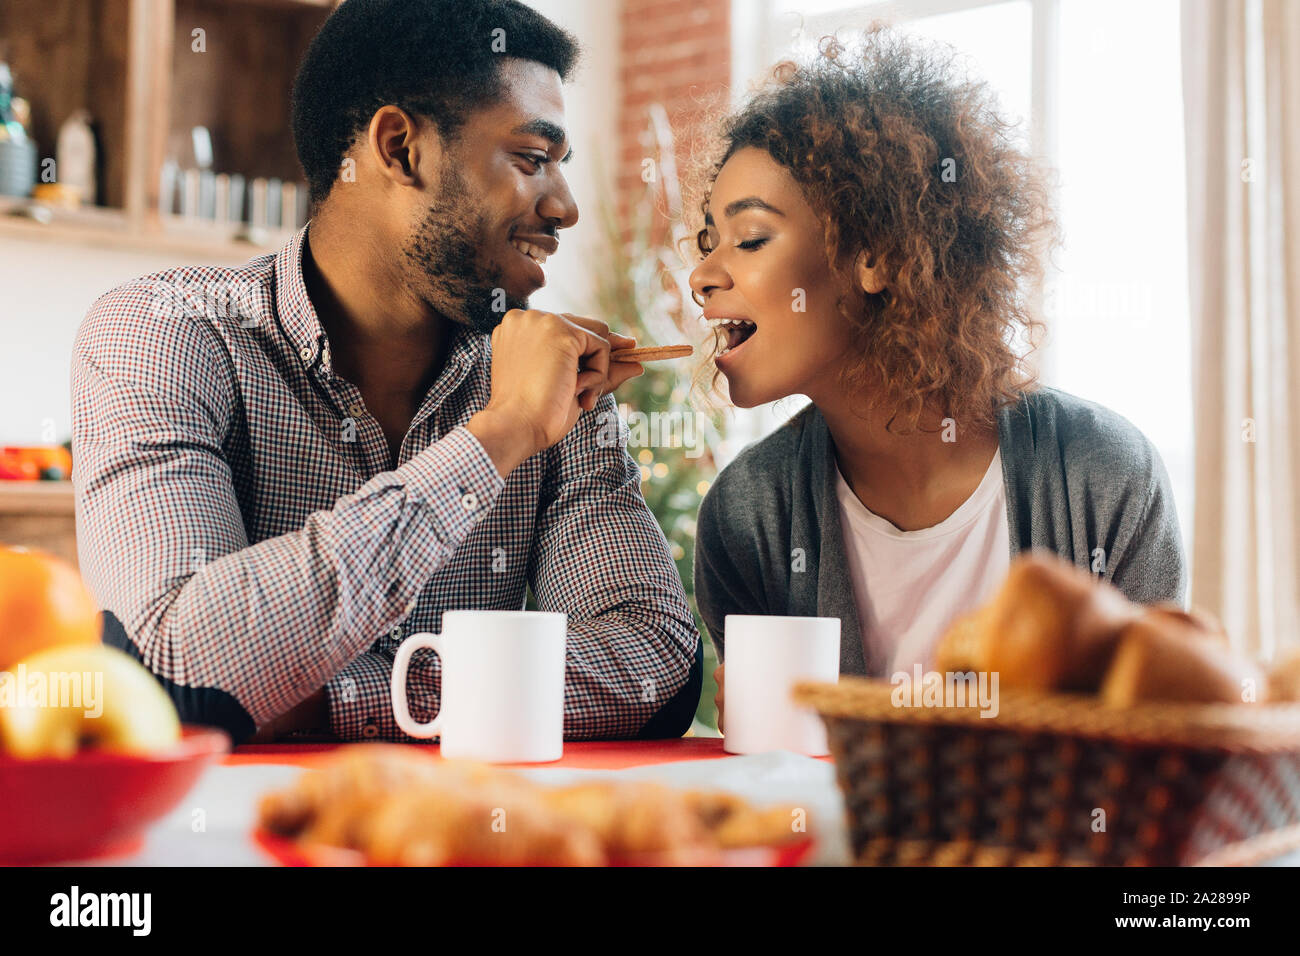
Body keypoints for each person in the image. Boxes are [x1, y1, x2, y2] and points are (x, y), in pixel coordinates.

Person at [72, 0, 701, 744]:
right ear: (400, 148)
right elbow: (174, 669)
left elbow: (656, 669)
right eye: (532, 159)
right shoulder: (167, 331)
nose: (564, 206)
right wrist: (496, 437)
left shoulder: (553, 376)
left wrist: (337, 697)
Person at [690, 28, 1186, 727]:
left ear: (878, 256)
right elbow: (782, 783)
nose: (702, 276)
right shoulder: (748, 518)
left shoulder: (1103, 477)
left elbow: (1151, 746)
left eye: (750, 239)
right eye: (710, 242)